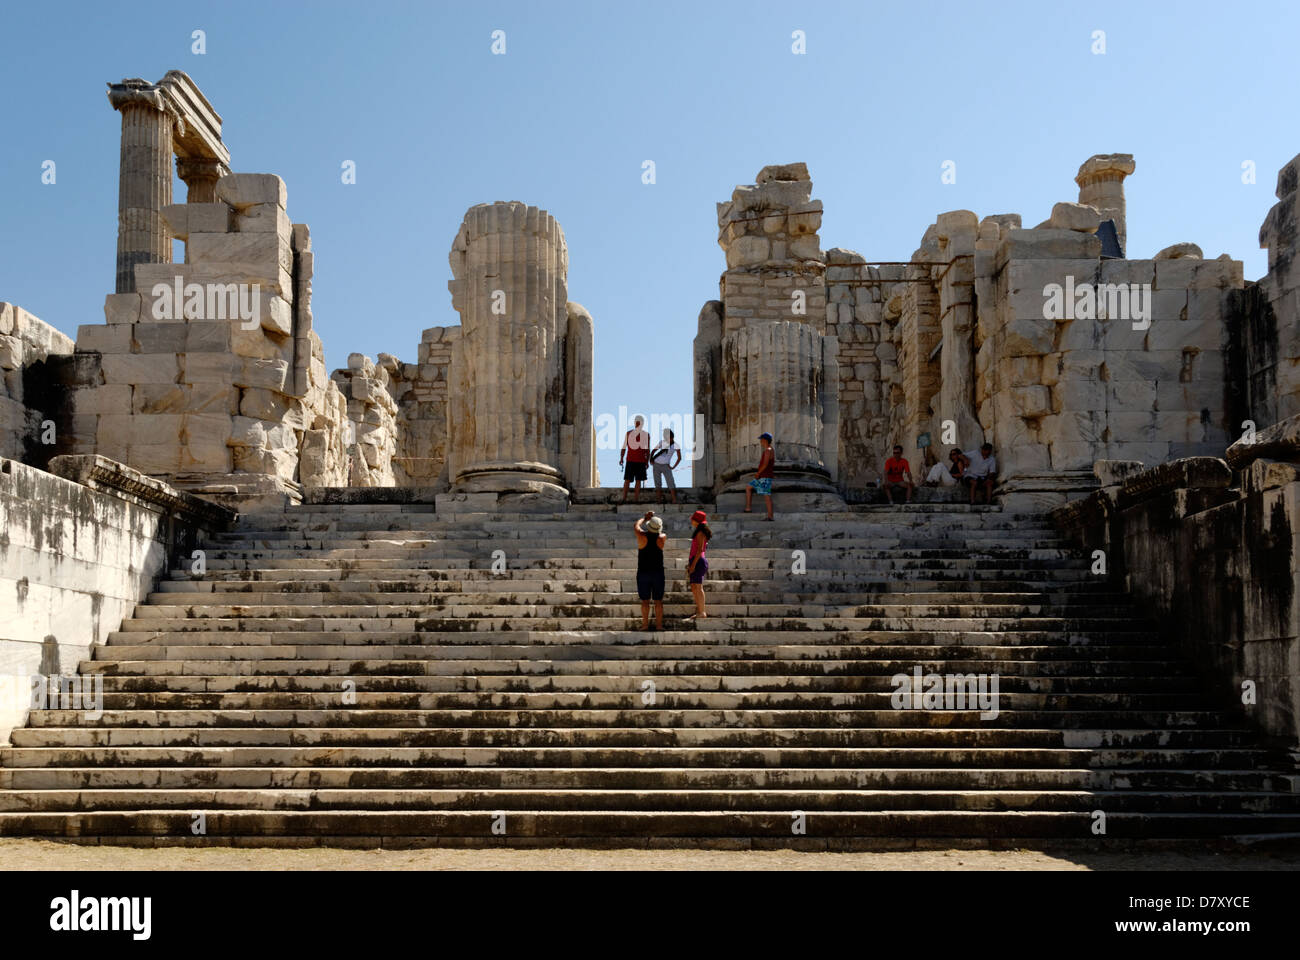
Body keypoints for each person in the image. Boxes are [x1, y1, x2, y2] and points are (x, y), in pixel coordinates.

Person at [633, 511, 666, 631]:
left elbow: (636, 526)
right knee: (658, 601)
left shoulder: (641, 536)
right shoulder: (662, 538)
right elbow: (659, 532)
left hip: (643, 573)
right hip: (658, 573)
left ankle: (645, 625)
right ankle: (659, 625)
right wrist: (654, 523)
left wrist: (645, 518)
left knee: (645, 601)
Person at [685, 509, 711, 620]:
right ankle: (700, 610)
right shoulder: (699, 532)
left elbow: (699, 550)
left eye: (693, 519)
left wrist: (693, 566)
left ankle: (702, 612)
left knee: (698, 587)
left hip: (698, 561)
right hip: (696, 561)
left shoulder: (700, 533)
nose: (691, 521)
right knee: (694, 587)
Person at [619, 415, 651, 504]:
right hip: (630, 460)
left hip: (641, 461)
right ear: (635, 423)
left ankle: (636, 499)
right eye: (637, 422)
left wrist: (647, 461)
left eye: (639, 422)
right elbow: (624, 447)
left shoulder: (646, 435)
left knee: (638, 480)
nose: (638, 424)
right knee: (627, 480)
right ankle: (624, 499)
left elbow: (647, 449)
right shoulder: (629, 433)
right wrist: (621, 458)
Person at [744, 432, 775, 520]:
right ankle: (748, 508)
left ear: (765, 440)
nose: (760, 441)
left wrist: (758, 473)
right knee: (748, 487)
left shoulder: (768, 450)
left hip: (765, 476)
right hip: (762, 476)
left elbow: (765, 464)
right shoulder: (770, 449)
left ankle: (770, 516)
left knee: (767, 496)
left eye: (761, 439)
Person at [650, 428, 682, 504]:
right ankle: (659, 500)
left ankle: (674, 500)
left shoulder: (676, 445)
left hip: (666, 465)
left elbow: (679, 458)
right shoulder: (662, 442)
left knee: (670, 482)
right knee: (657, 483)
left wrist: (673, 467)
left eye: (669, 438)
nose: (668, 439)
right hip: (656, 464)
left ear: (672, 437)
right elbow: (654, 450)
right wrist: (651, 459)